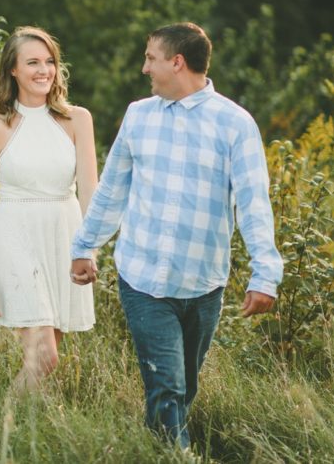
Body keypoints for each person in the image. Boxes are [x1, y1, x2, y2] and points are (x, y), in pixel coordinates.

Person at [70, 22, 283, 449]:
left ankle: (154, 449)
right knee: (167, 387)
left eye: (151, 57)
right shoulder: (139, 115)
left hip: (203, 284)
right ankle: (178, 455)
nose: (145, 67)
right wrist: (84, 246)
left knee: (183, 388)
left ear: (177, 62)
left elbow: (253, 203)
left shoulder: (235, 124)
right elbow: (112, 189)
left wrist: (265, 273)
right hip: (143, 278)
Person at [0, 26, 98, 391]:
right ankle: (0, 427)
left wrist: (89, 249)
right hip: (15, 235)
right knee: (45, 357)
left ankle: (15, 434)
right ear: (13, 69)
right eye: (32, 63)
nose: (44, 70)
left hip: (64, 233)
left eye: (49, 62)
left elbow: (90, 190)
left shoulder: (78, 119)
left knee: (44, 358)